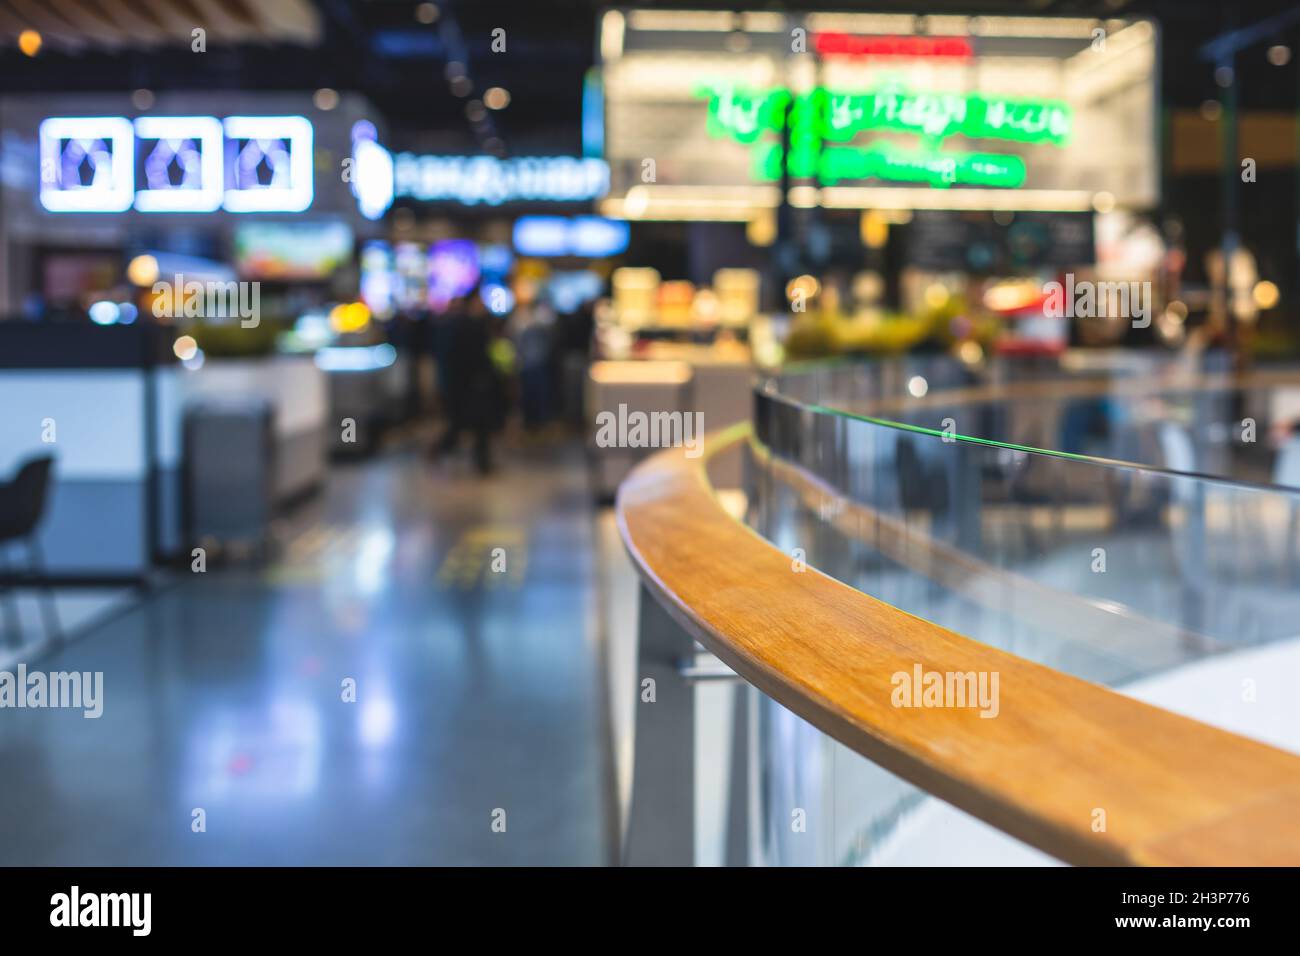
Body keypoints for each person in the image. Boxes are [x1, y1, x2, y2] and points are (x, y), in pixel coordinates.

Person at [430, 287, 503, 474]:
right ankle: (443, 451)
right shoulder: (466, 325)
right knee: (467, 424)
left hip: (462, 384)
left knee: (468, 425)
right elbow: (470, 357)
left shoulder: (457, 324)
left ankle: (477, 460)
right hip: (468, 384)